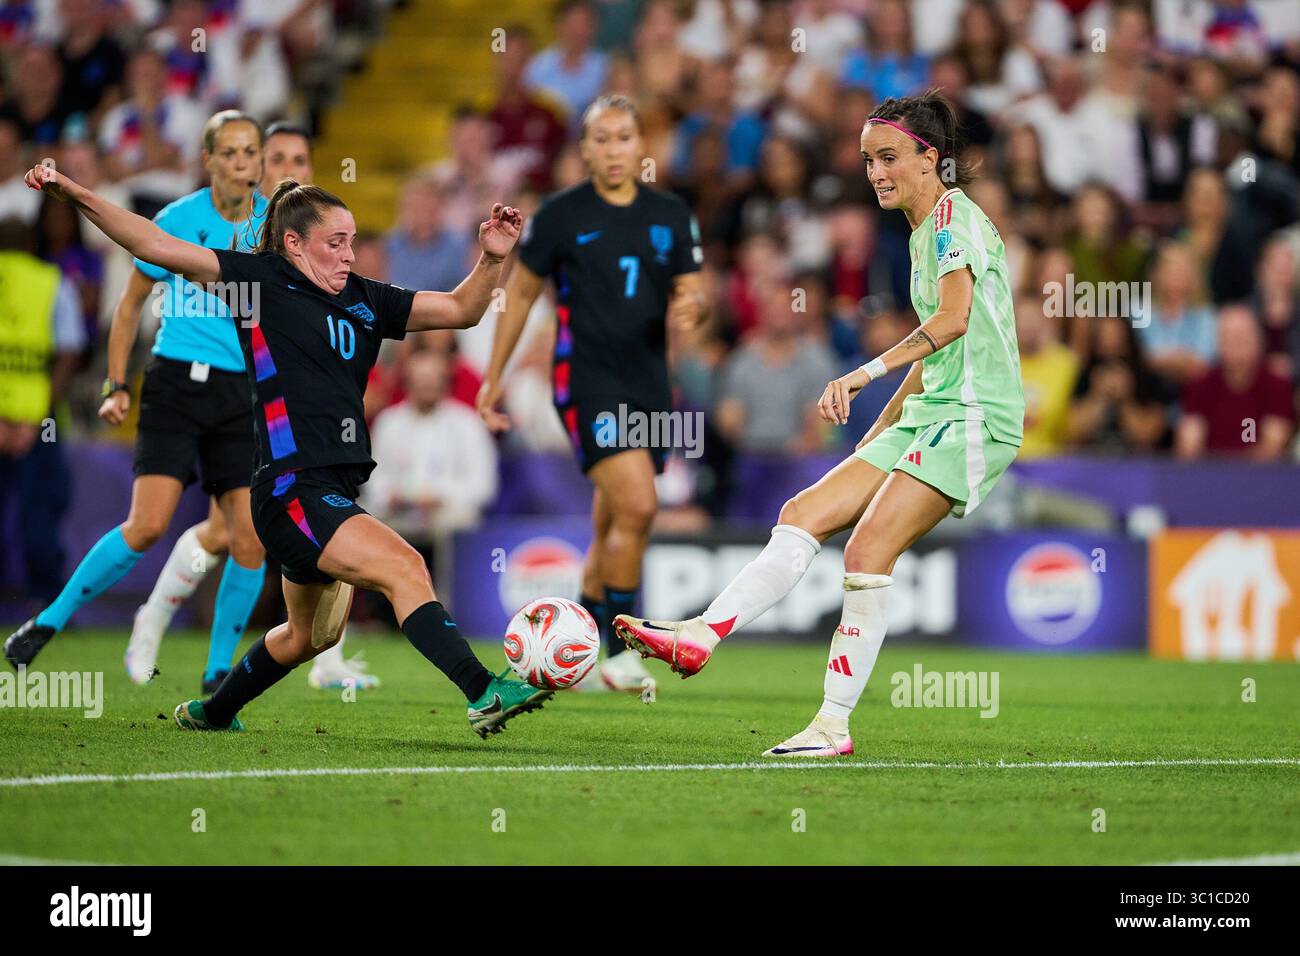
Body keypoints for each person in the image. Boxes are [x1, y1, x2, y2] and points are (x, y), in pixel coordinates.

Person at [12, 161, 548, 738]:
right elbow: (154, 242)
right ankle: (482, 691)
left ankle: (214, 711)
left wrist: (493, 258)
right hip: (294, 487)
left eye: (353, 242)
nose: (349, 254)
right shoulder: (259, 284)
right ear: (294, 244)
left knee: (307, 637)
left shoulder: (368, 298)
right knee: (406, 567)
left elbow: (462, 310)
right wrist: (72, 191)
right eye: (335, 242)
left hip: (327, 489)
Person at [616, 92, 1024, 757]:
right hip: (932, 411)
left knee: (866, 553)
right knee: (804, 509)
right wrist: (882, 431)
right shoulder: (924, 234)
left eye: (889, 158)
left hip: (979, 417)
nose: (877, 174)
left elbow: (950, 320)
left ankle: (832, 726)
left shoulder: (955, 220)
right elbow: (945, 350)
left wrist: (865, 376)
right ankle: (702, 634)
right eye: (868, 161)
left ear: (932, 158)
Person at [6, 111, 268, 695]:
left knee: (248, 537)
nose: (242, 163)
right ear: (208, 160)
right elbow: (129, 307)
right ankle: (49, 620)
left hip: (240, 393)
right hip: (176, 384)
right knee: (147, 525)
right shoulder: (178, 219)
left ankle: (218, 673)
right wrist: (116, 383)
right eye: (230, 152)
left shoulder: (273, 227)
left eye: (251, 152)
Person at [124, 120, 379, 692]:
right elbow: (167, 263)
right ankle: (157, 622)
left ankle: (296, 655)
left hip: (304, 415)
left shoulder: (326, 244)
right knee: (234, 531)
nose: (288, 167)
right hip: (242, 392)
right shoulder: (254, 243)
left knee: (260, 525)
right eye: (277, 157)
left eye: (299, 158)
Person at [476, 94, 706, 693]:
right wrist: (494, 376)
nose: (612, 149)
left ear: (640, 145)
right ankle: (619, 651)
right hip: (585, 382)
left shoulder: (672, 214)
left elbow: (694, 293)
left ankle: (577, 626)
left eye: (623, 137)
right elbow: (521, 295)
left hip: (651, 386)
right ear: (584, 149)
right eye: (600, 139)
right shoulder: (560, 216)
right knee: (638, 506)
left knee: (614, 519)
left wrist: (692, 307)